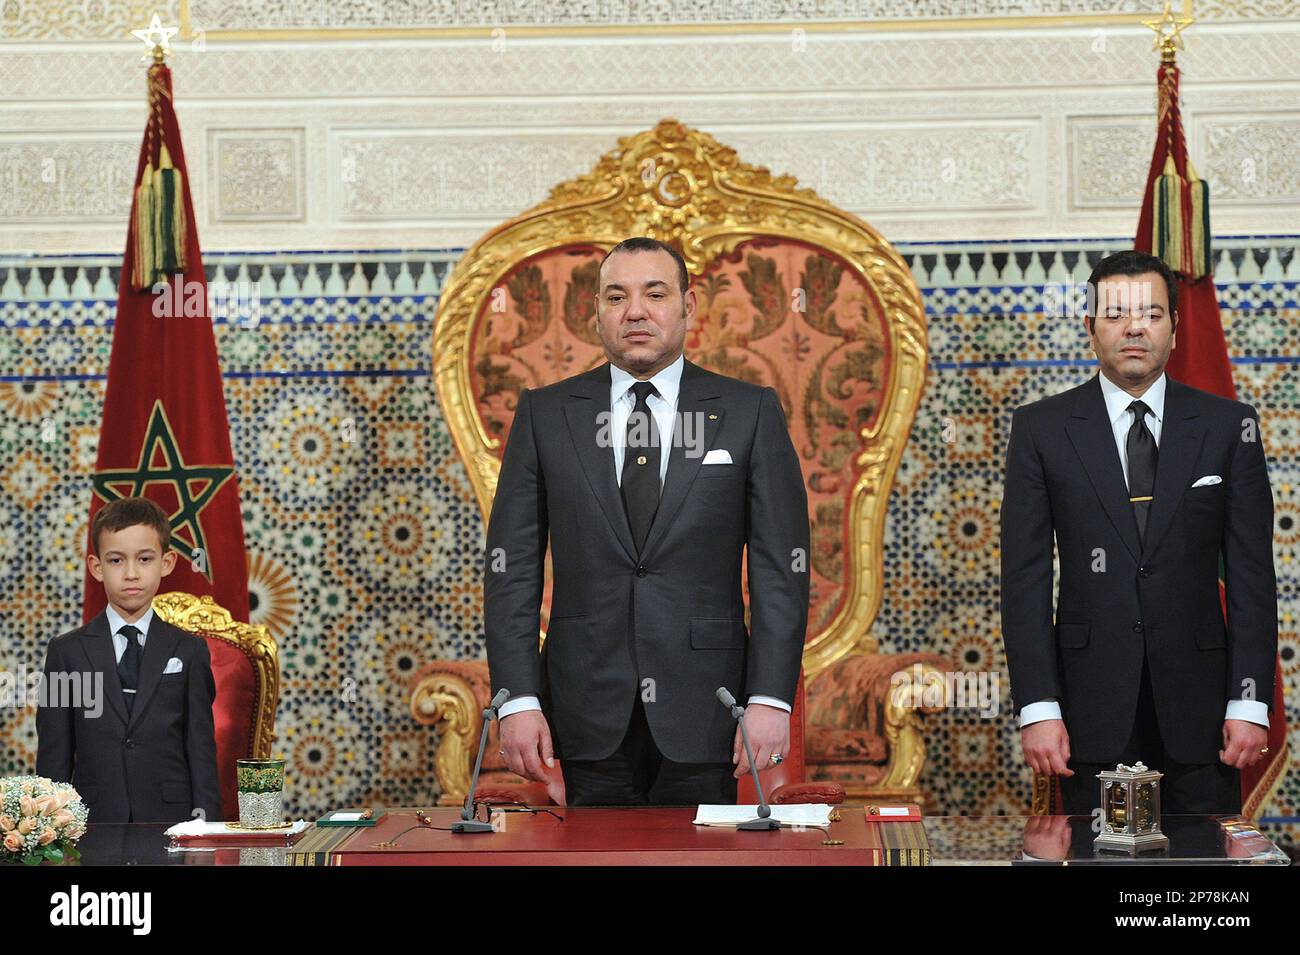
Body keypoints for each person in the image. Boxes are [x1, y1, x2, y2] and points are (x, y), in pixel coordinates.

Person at [484, 236, 810, 805]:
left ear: (687, 306)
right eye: (617, 296)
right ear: (598, 313)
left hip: (710, 707)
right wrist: (517, 700)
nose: (635, 311)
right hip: (585, 708)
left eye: (655, 294)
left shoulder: (747, 410)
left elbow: (780, 569)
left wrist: (770, 700)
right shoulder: (545, 413)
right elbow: (511, 574)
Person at [1000, 249, 1277, 814]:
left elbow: (1252, 575)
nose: (1133, 327)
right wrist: (1038, 707)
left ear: (1175, 328)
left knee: (1203, 883)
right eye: (1115, 314)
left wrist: (1249, 704)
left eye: (1151, 313)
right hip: (1084, 710)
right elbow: (1024, 580)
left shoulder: (1230, 427)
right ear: (1090, 327)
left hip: (1203, 712)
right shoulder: (1041, 429)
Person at [37, 496, 221, 823]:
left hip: (173, 823)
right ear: (96, 567)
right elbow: (54, 756)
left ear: (167, 562)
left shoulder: (189, 651)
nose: (132, 573)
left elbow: (201, 751)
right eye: (116, 560)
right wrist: (54, 831)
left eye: (145, 559)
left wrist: (204, 832)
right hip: (91, 824)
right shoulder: (65, 653)